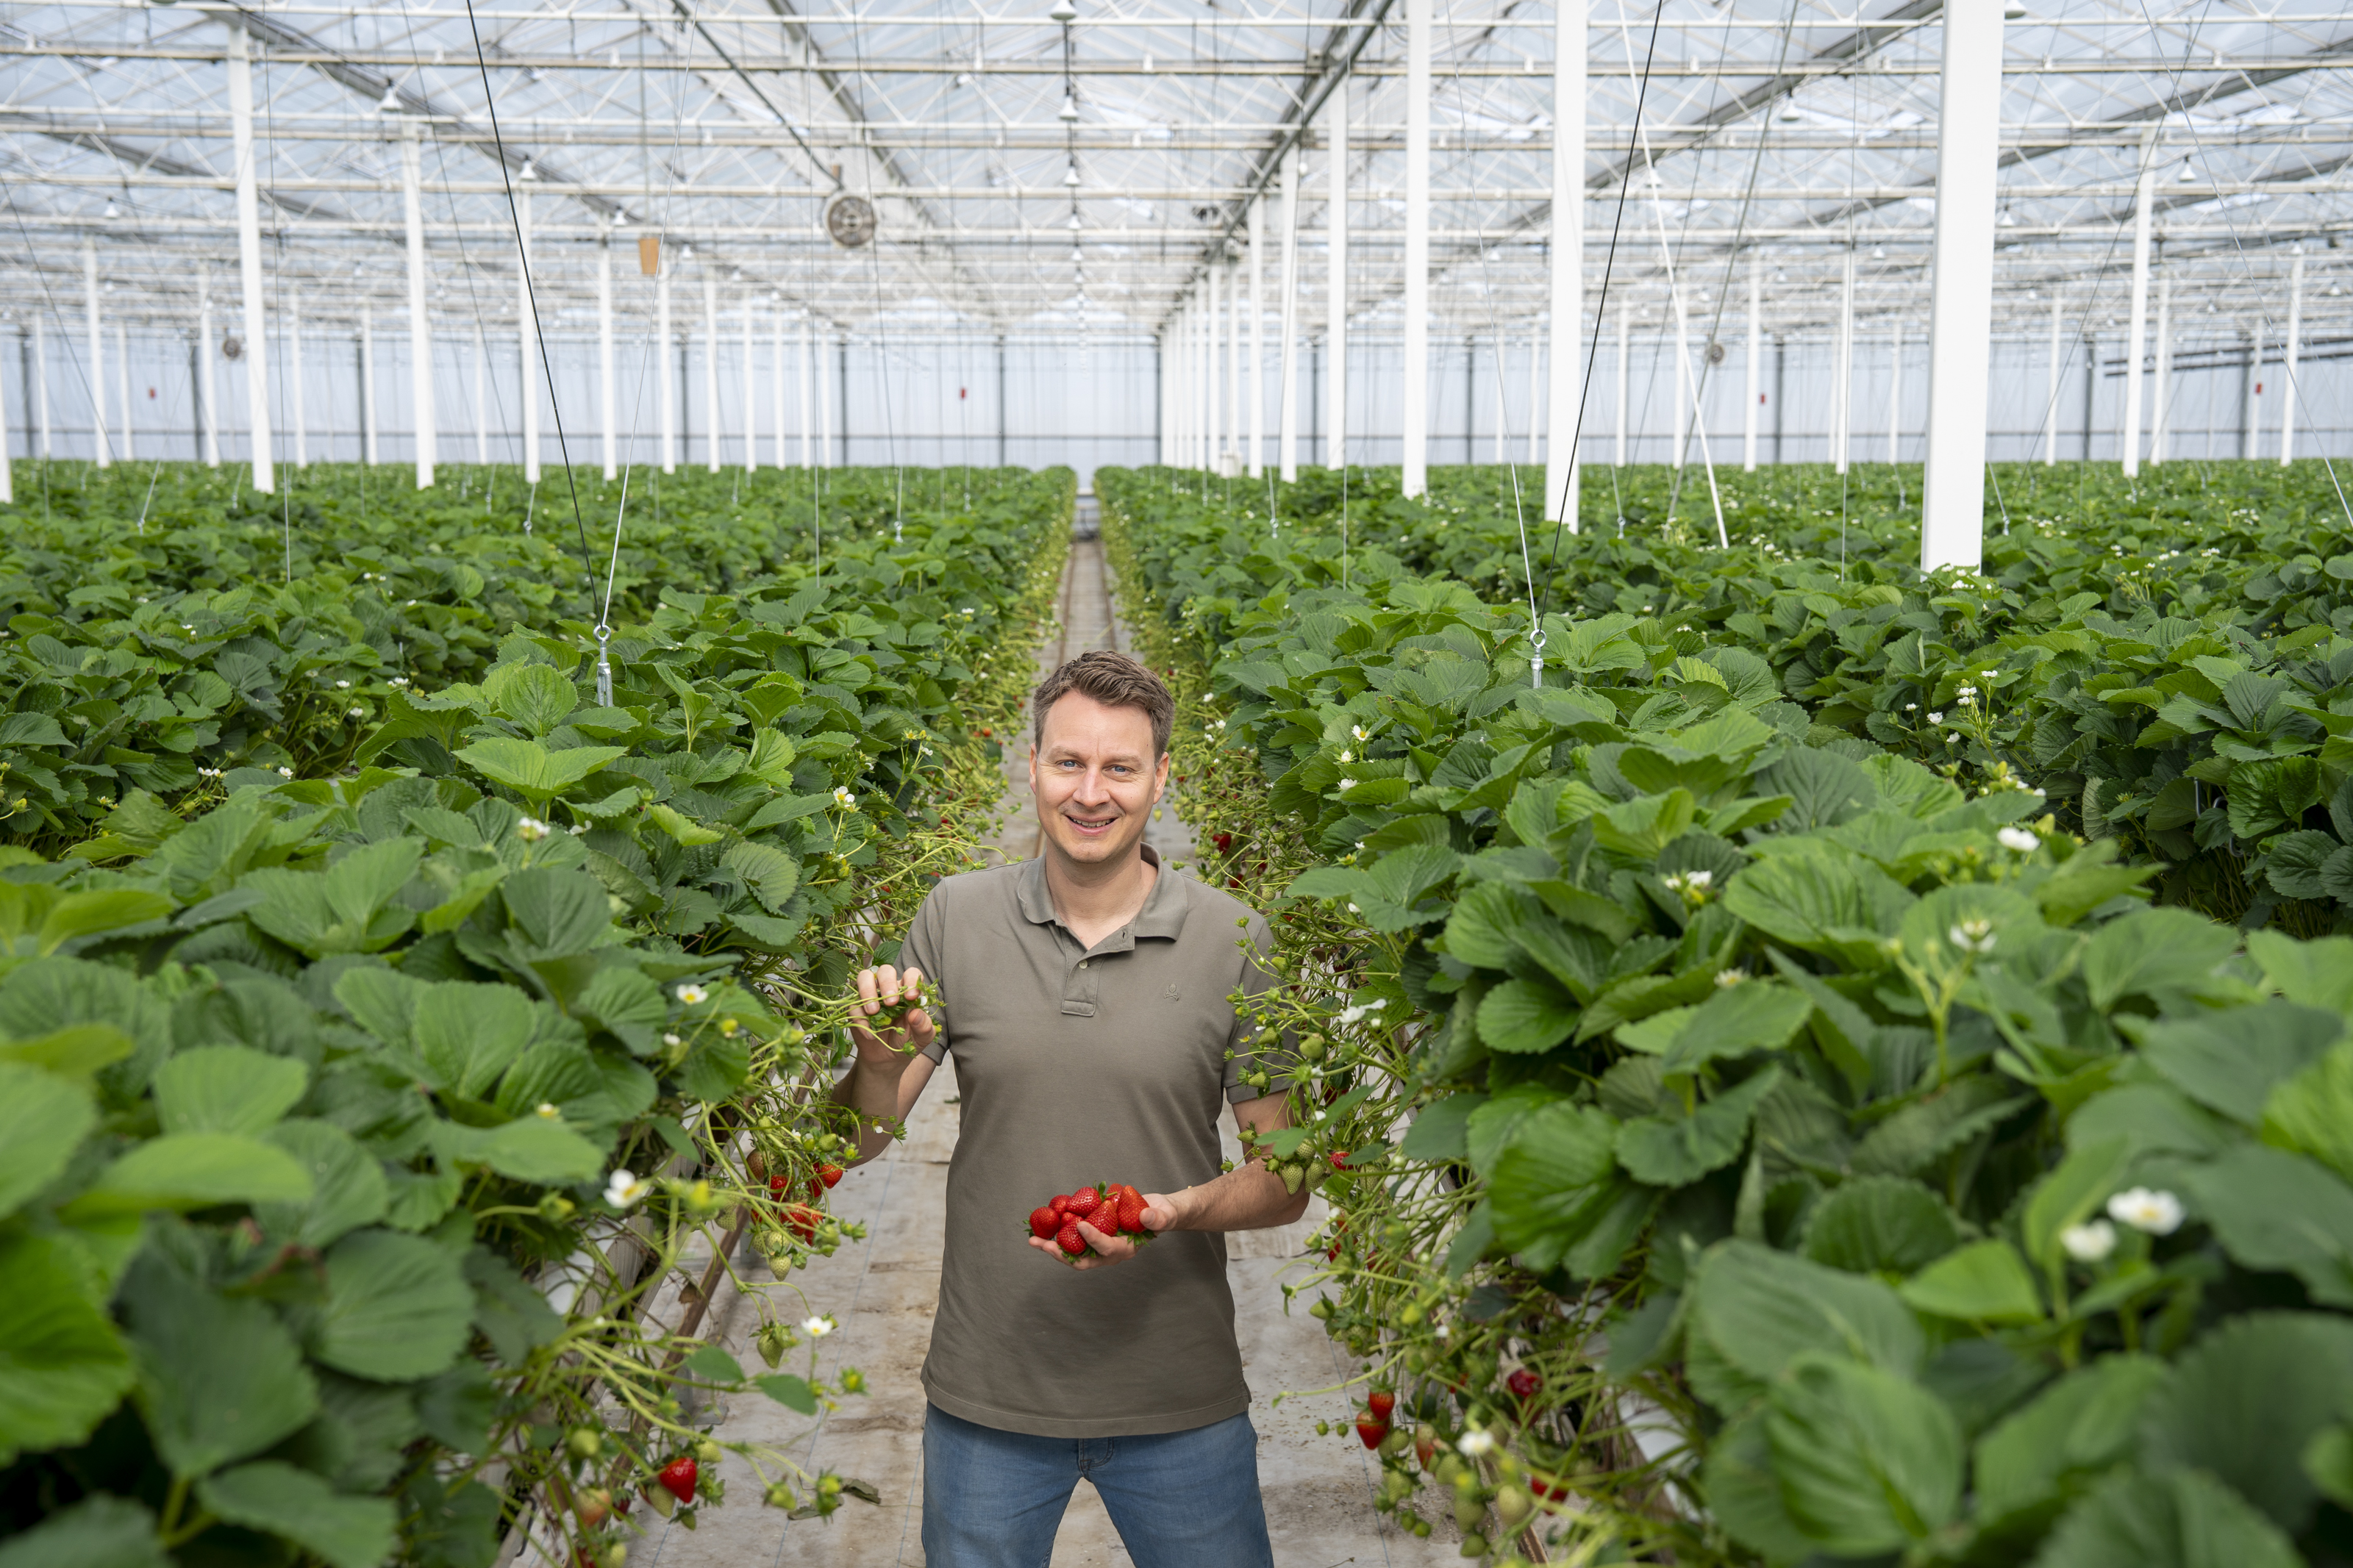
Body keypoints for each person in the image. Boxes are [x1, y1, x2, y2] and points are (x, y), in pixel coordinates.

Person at [831, 648, 1305, 1568]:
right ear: (1035, 764)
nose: (1092, 793)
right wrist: (873, 1063)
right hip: (987, 1398)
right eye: (1068, 763)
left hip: (1180, 1399)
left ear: (1161, 778)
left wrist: (1173, 1210)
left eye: (1120, 767)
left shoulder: (1233, 937)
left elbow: (1286, 1182)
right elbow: (857, 1141)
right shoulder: (953, 917)